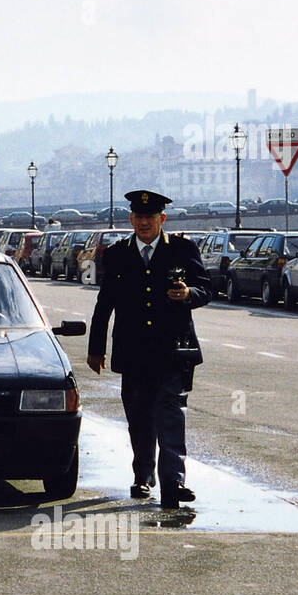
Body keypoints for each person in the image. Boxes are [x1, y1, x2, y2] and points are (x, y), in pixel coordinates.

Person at [86, 189, 211, 509]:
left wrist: (188, 295)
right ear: (131, 219)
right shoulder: (116, 254)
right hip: (134, 351)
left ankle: (174, 481)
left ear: (162, 219)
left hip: (173, 350)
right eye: (139, 218)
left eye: (150, 218)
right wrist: (95, 349)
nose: (144, 223)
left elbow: (207, 288)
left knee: (171, 414)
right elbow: (105, 304)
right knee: (139, 416)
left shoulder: (183, 249)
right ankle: (143, 475)